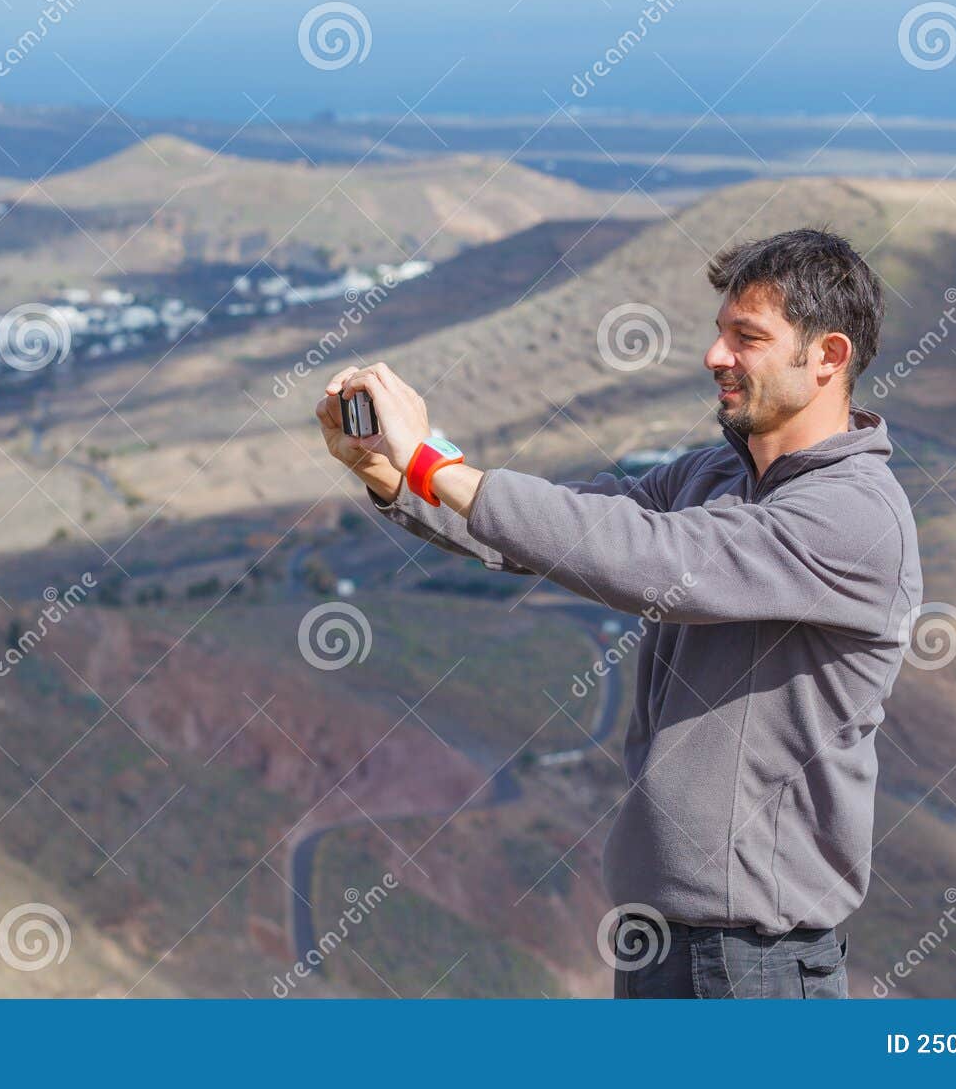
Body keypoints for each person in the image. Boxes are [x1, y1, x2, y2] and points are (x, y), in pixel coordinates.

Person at [315, 227, 922, 998]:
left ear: (828, 356)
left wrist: (437, 462)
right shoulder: (712, 475)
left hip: (755, 968)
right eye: (719, 332)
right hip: (662, 945)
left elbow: (650, 558)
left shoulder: (852, 516)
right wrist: (395, 477)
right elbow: (567, 534)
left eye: (748, 337)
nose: (716, 355)